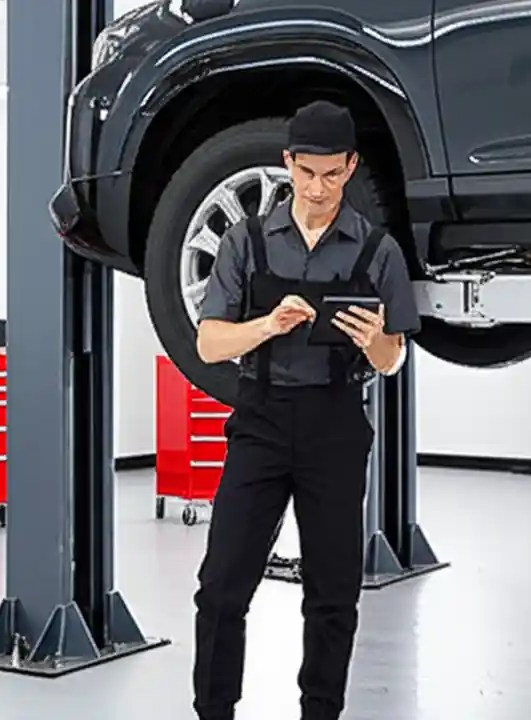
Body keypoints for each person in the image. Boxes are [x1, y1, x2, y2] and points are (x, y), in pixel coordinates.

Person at [190, 100, 421, 720]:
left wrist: (372, 339)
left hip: (337, 424)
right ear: (288, 161)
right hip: (260, 421)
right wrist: (266, 325)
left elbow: (394, 357)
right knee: (221, 586)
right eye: (306, 173)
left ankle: (322, 712)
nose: (318, 189)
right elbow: (210, 342)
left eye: (332, 175)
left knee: (332, 594)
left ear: (351, 167)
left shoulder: (379, 252)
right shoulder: (244, 242)